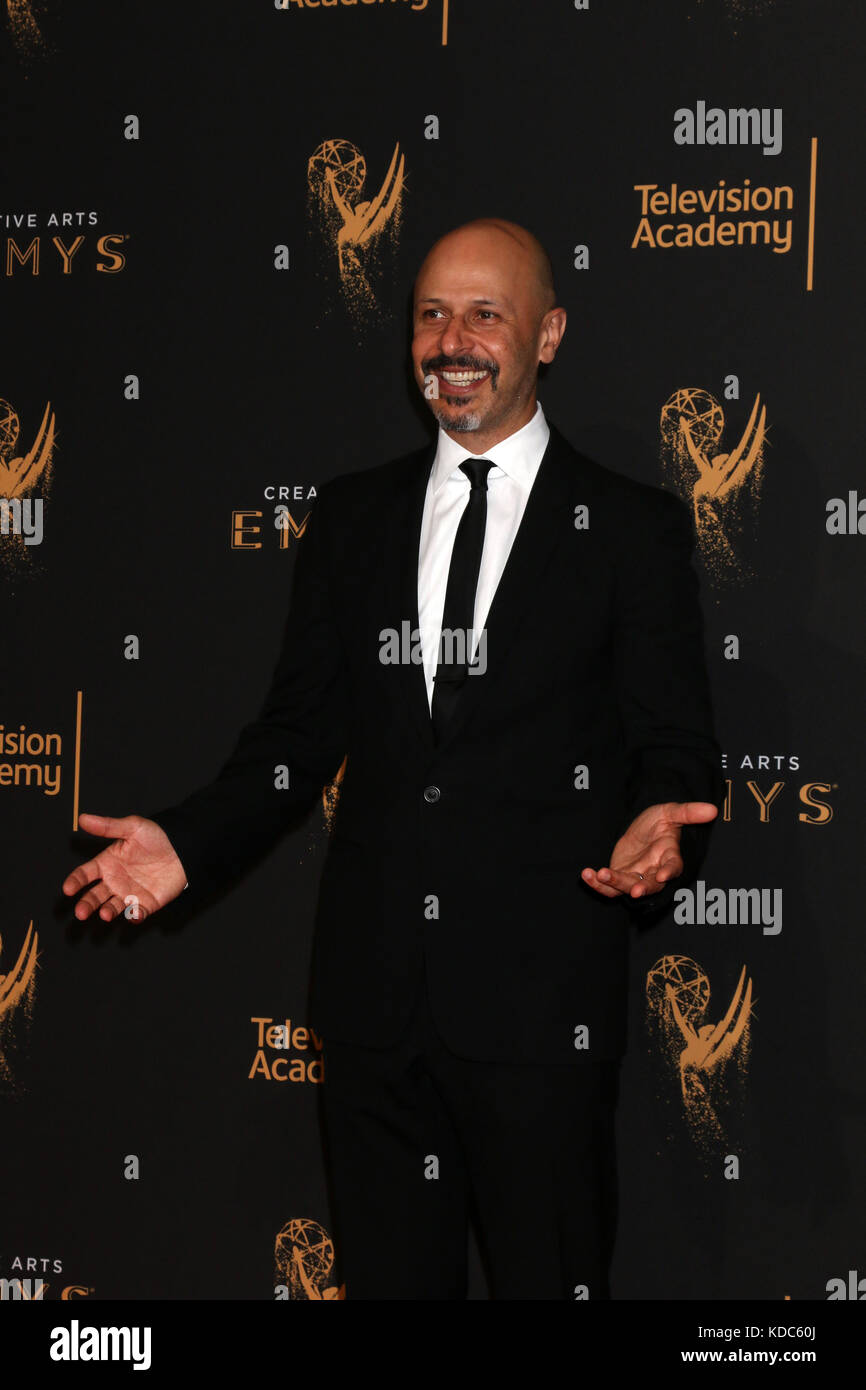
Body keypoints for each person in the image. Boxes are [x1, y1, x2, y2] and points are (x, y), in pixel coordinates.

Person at [63, 218, 723, 1300]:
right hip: (374, 1016)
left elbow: (675, 745)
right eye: (428, 313)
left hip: (537, 1013)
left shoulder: (630, 529)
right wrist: (191, 839)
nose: (449, 341)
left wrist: (661, 825)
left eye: (482, 314)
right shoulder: (351, 519)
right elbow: (295, 737)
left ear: (547, 334)